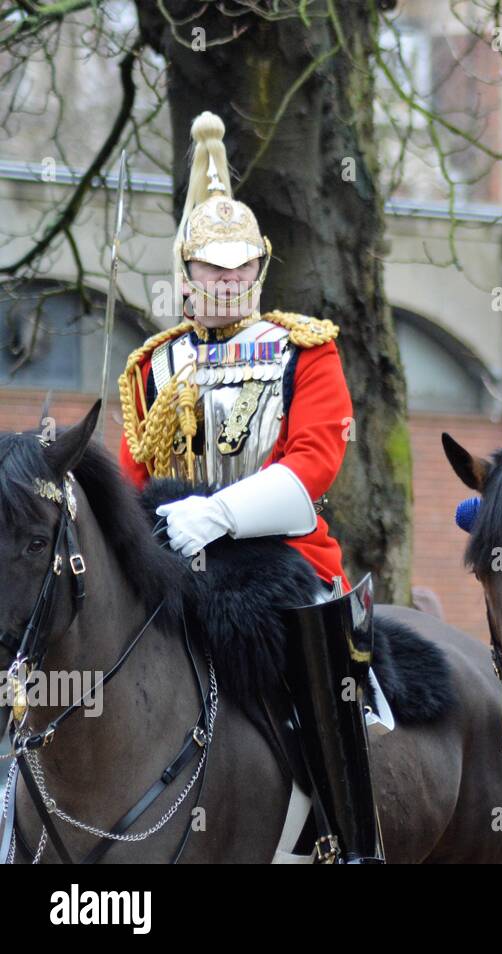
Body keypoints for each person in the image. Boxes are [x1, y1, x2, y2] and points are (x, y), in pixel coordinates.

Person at [117, 111, 382, 862]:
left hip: (282, 555)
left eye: (240, 269)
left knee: (322, 683)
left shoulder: (307, 351)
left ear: (258, 270)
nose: (228, 283)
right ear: (187, 275)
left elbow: (311, 468)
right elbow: (135, 479)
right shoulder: (150, 368)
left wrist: (223, 514)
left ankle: (347, 835)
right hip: (174, 560)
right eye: (212, 269)